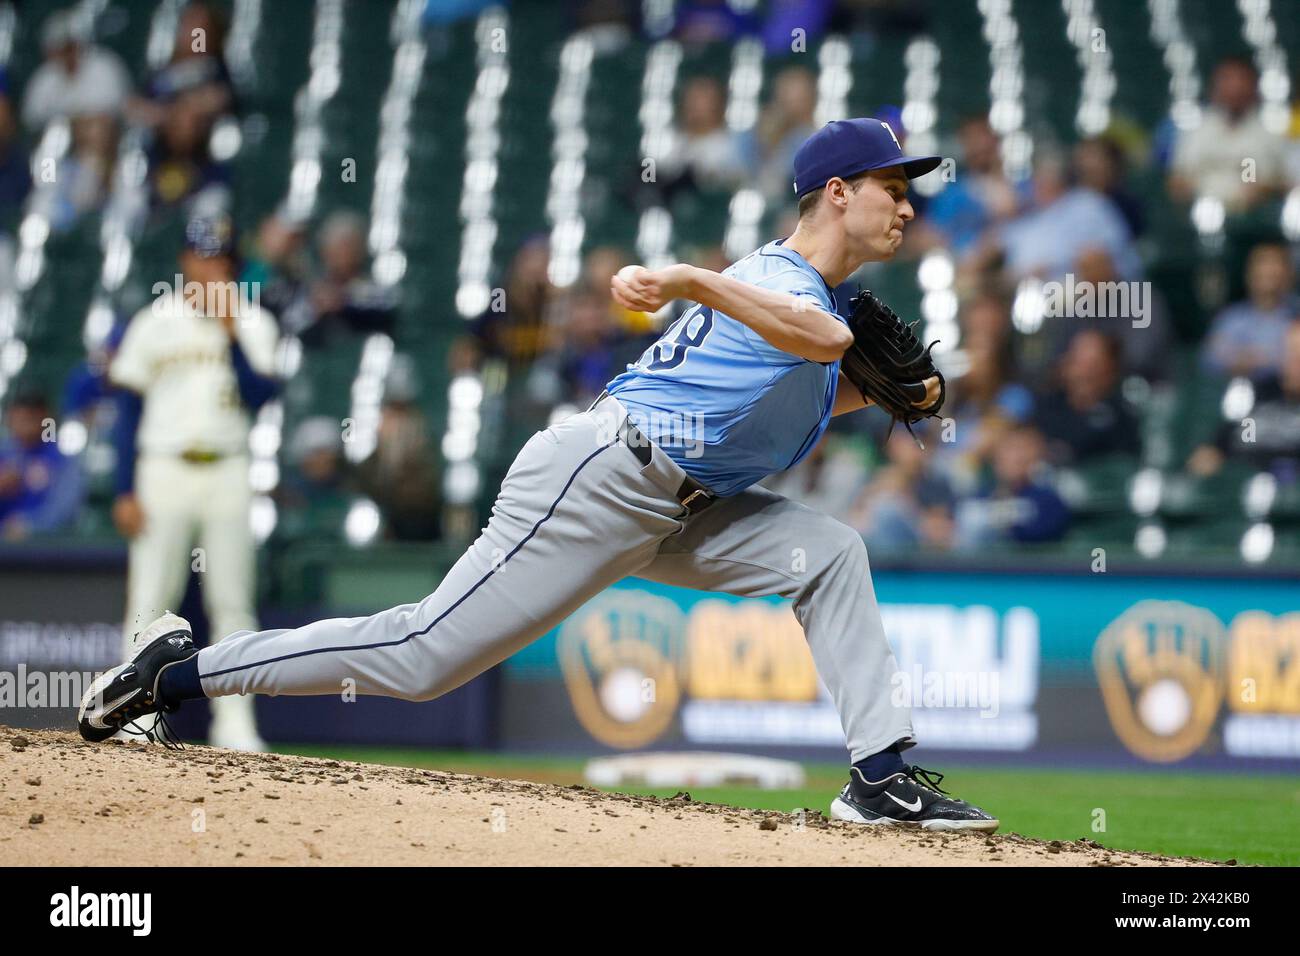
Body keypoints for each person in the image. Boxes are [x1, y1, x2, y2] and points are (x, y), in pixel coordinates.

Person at [80, 118, 999, 832]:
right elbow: (818, 336)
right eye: (893, 187)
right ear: (837, 192)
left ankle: (879, 776)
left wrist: (886, 399)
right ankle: (178, 671)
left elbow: (801, 382)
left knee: (830, 551)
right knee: (419, 657)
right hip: (599, 478)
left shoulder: (808, 310)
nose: (908, 204)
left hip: (684, 507)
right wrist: (689, 276)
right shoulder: (779, 281)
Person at [105, 213, 279, 751]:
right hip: (163, 467)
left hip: (227, 467)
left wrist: (229, 332)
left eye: (221, 259)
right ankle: (133, 720)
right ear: (184, 262)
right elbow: (127, 411)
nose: (211, 268)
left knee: (232, 600)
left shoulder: (253, 322)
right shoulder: (154, 321)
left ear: (233, 264)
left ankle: (236, 726)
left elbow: (259, 396)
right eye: (202, 258)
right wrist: (122, 487)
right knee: (149, 597)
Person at [1168, 56, 1288, 212]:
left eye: (1241, 80)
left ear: (1254, 86)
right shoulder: (1196, 130)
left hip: (1253, 218)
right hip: (1201, 214)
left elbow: (1280, 182)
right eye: (1227, 79)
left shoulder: (1269, 133)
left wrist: (1263, 190)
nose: (1235, 87)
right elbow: (1178, 180)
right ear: (1215, 85)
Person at [20, 11, 131, 132]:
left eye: (70, 46)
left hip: (100, 137)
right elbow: (31, 118)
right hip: (55, 142)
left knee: (97, 128)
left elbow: (109, 113)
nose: (66, 53)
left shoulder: (104, 66)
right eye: (60, 47)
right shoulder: (44, 77)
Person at [1201, 242, 1298, 381]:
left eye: (1274, 266)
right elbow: (1211, 358)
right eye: (1261, 265)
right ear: (1249, 274)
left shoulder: (1296, 314)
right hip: (1240, 393)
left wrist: (1255, 357)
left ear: (1289, 274)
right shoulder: (1231, 318)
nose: (1268, 271)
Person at [0, 389, 84, 540]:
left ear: (45, 417)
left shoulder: (62, 455)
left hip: (44, 551)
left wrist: (30, 526)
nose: (22, 426)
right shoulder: (4, 452)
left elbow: (66, 510)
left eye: (29, 418)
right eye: (17, 419)